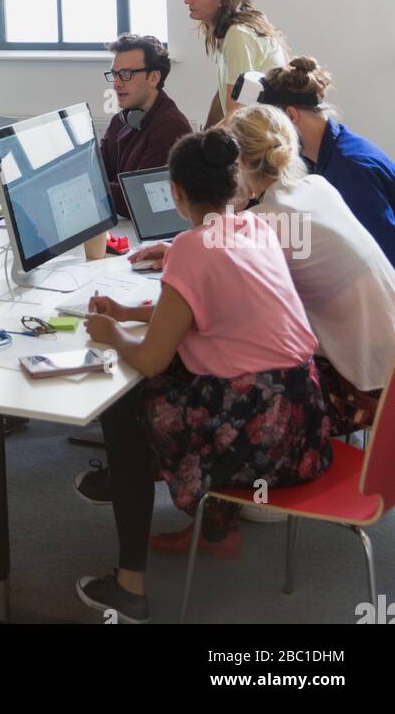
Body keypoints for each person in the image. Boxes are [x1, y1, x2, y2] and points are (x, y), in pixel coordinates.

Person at [74, 128, 330, 623]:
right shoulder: (254, 228)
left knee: (126, 403)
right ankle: (205, 525)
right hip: (306, 421)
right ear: (237, 185)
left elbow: (148, 359)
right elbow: (198, 306)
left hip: (262, 441)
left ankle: (130, 585)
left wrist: (110, 333)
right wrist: (129, 310)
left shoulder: (191, 248)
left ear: (175, 191)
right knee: (159, 386)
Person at [229, 102, 395, 436]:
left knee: (239, 381)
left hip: (365, 389)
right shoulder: (318, 188)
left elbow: (215, 270)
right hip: (388, 365)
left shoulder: (263, 221)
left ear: (240, 163)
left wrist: (230, 201)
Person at [258, 56, 395, 270]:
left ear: (291, 116)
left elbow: (385, 256)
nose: (271, 138)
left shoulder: (349, 169)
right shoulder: (326, 155)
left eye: (270, 126)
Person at [184, 0, 287, 127]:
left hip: (265, 137)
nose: (187, 0)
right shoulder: (227, 30)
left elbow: (237, 114)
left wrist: (200, 147)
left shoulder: (237, 35)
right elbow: (224, 93)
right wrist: (206, 133)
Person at [101, 34, 192, 218]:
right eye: (115, 74)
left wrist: (91, 187)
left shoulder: (171, 128)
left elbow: (136, 200)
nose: (117, 84)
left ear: (153, 78)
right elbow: (98, 169)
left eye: (126, 74)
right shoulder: (121, 121)